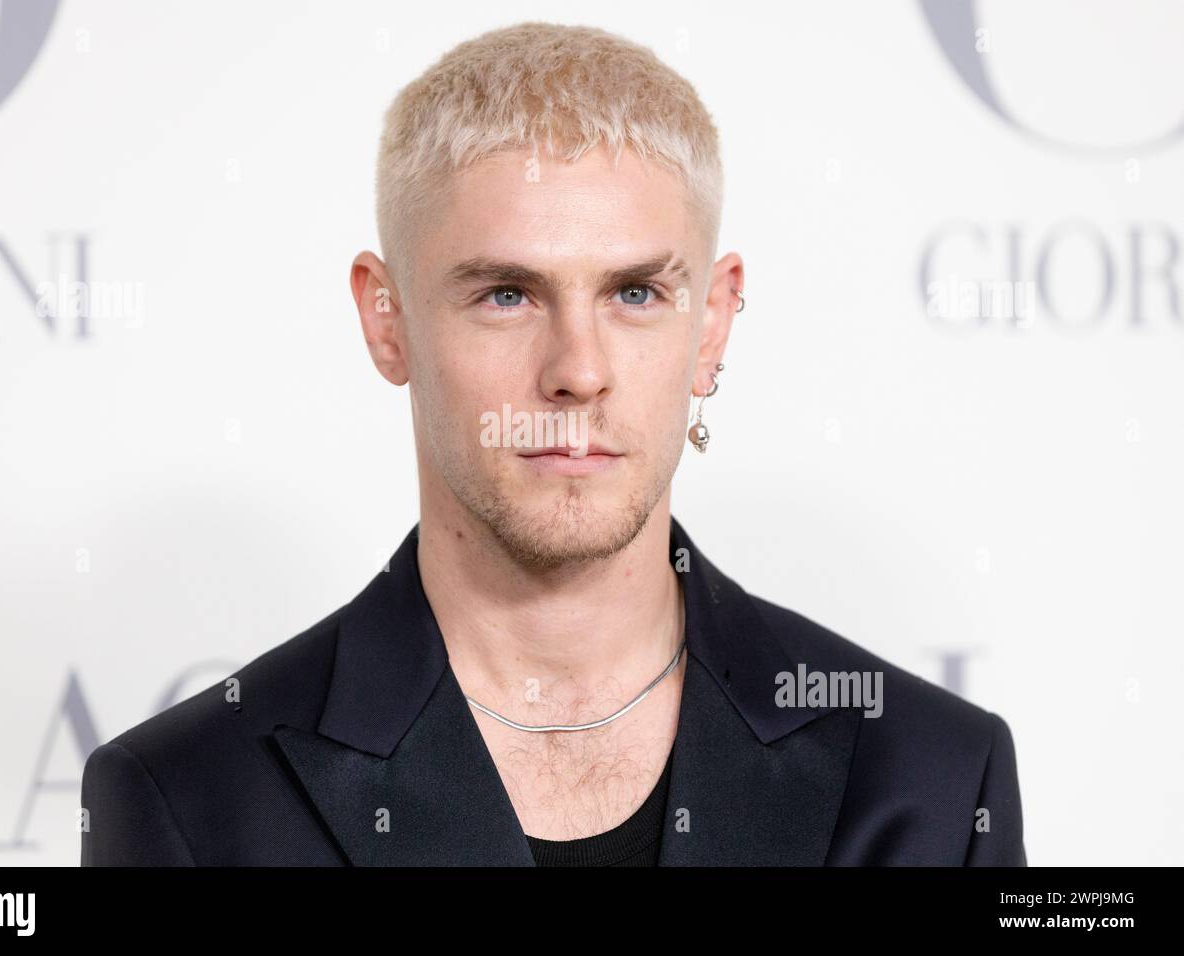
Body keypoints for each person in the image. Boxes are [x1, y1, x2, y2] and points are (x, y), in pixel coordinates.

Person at [81, 21, 1025, 866]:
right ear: (386, 319)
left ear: (711, 324)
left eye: (635, 294)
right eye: (507, 295)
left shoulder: (934, 781)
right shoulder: (190, 804)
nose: (578, 370)